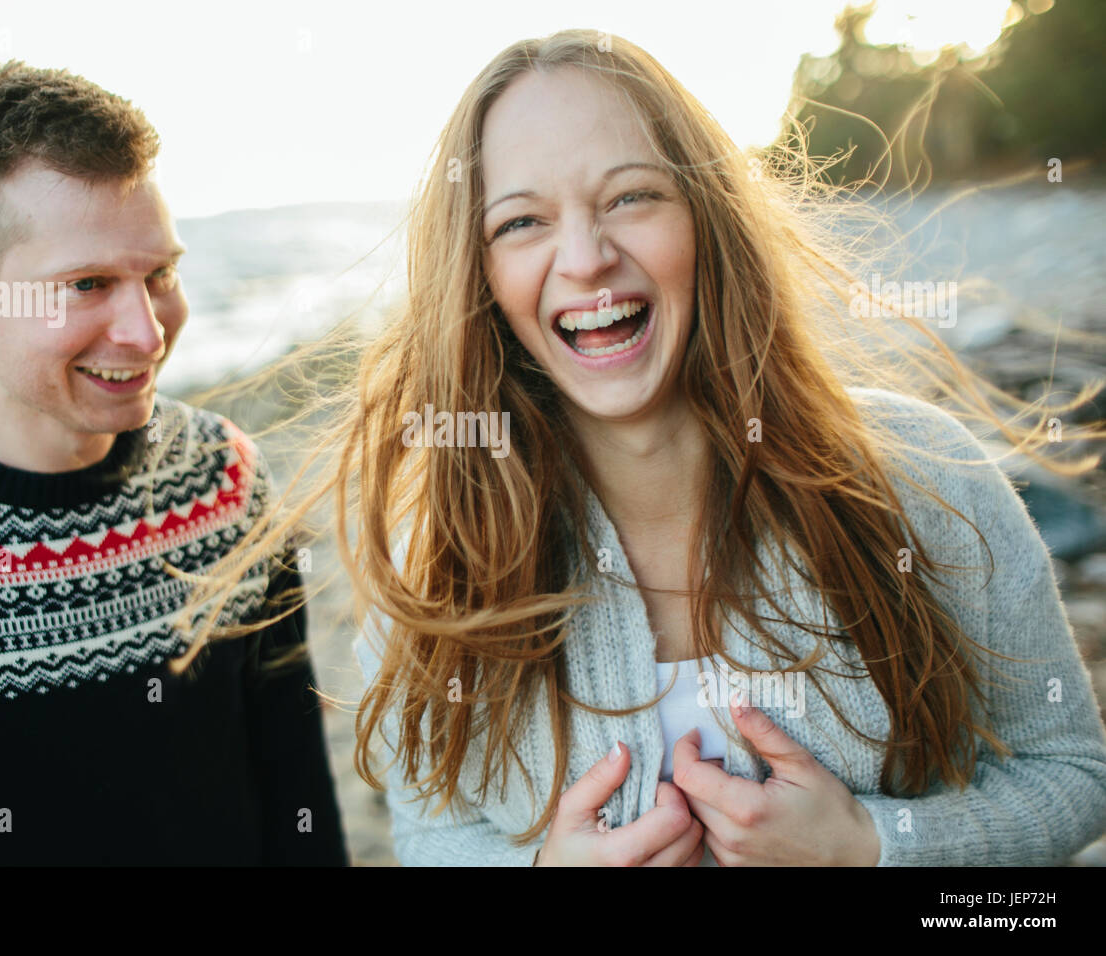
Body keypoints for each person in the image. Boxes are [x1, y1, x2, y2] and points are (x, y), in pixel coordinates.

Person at [178, 30, 1106, 867]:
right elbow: (434, 834)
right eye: (522, 222)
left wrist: (874, 848)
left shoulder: (918, 472)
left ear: (708, 220)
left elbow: (1074, 772)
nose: (584, 258)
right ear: (481, 275)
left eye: (631, 196)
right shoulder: (447, 557)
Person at [0, 62, 346, 865]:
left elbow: (295, 787)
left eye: (159, 273)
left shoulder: (226, 477)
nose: (147, 330)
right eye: (87, 284)